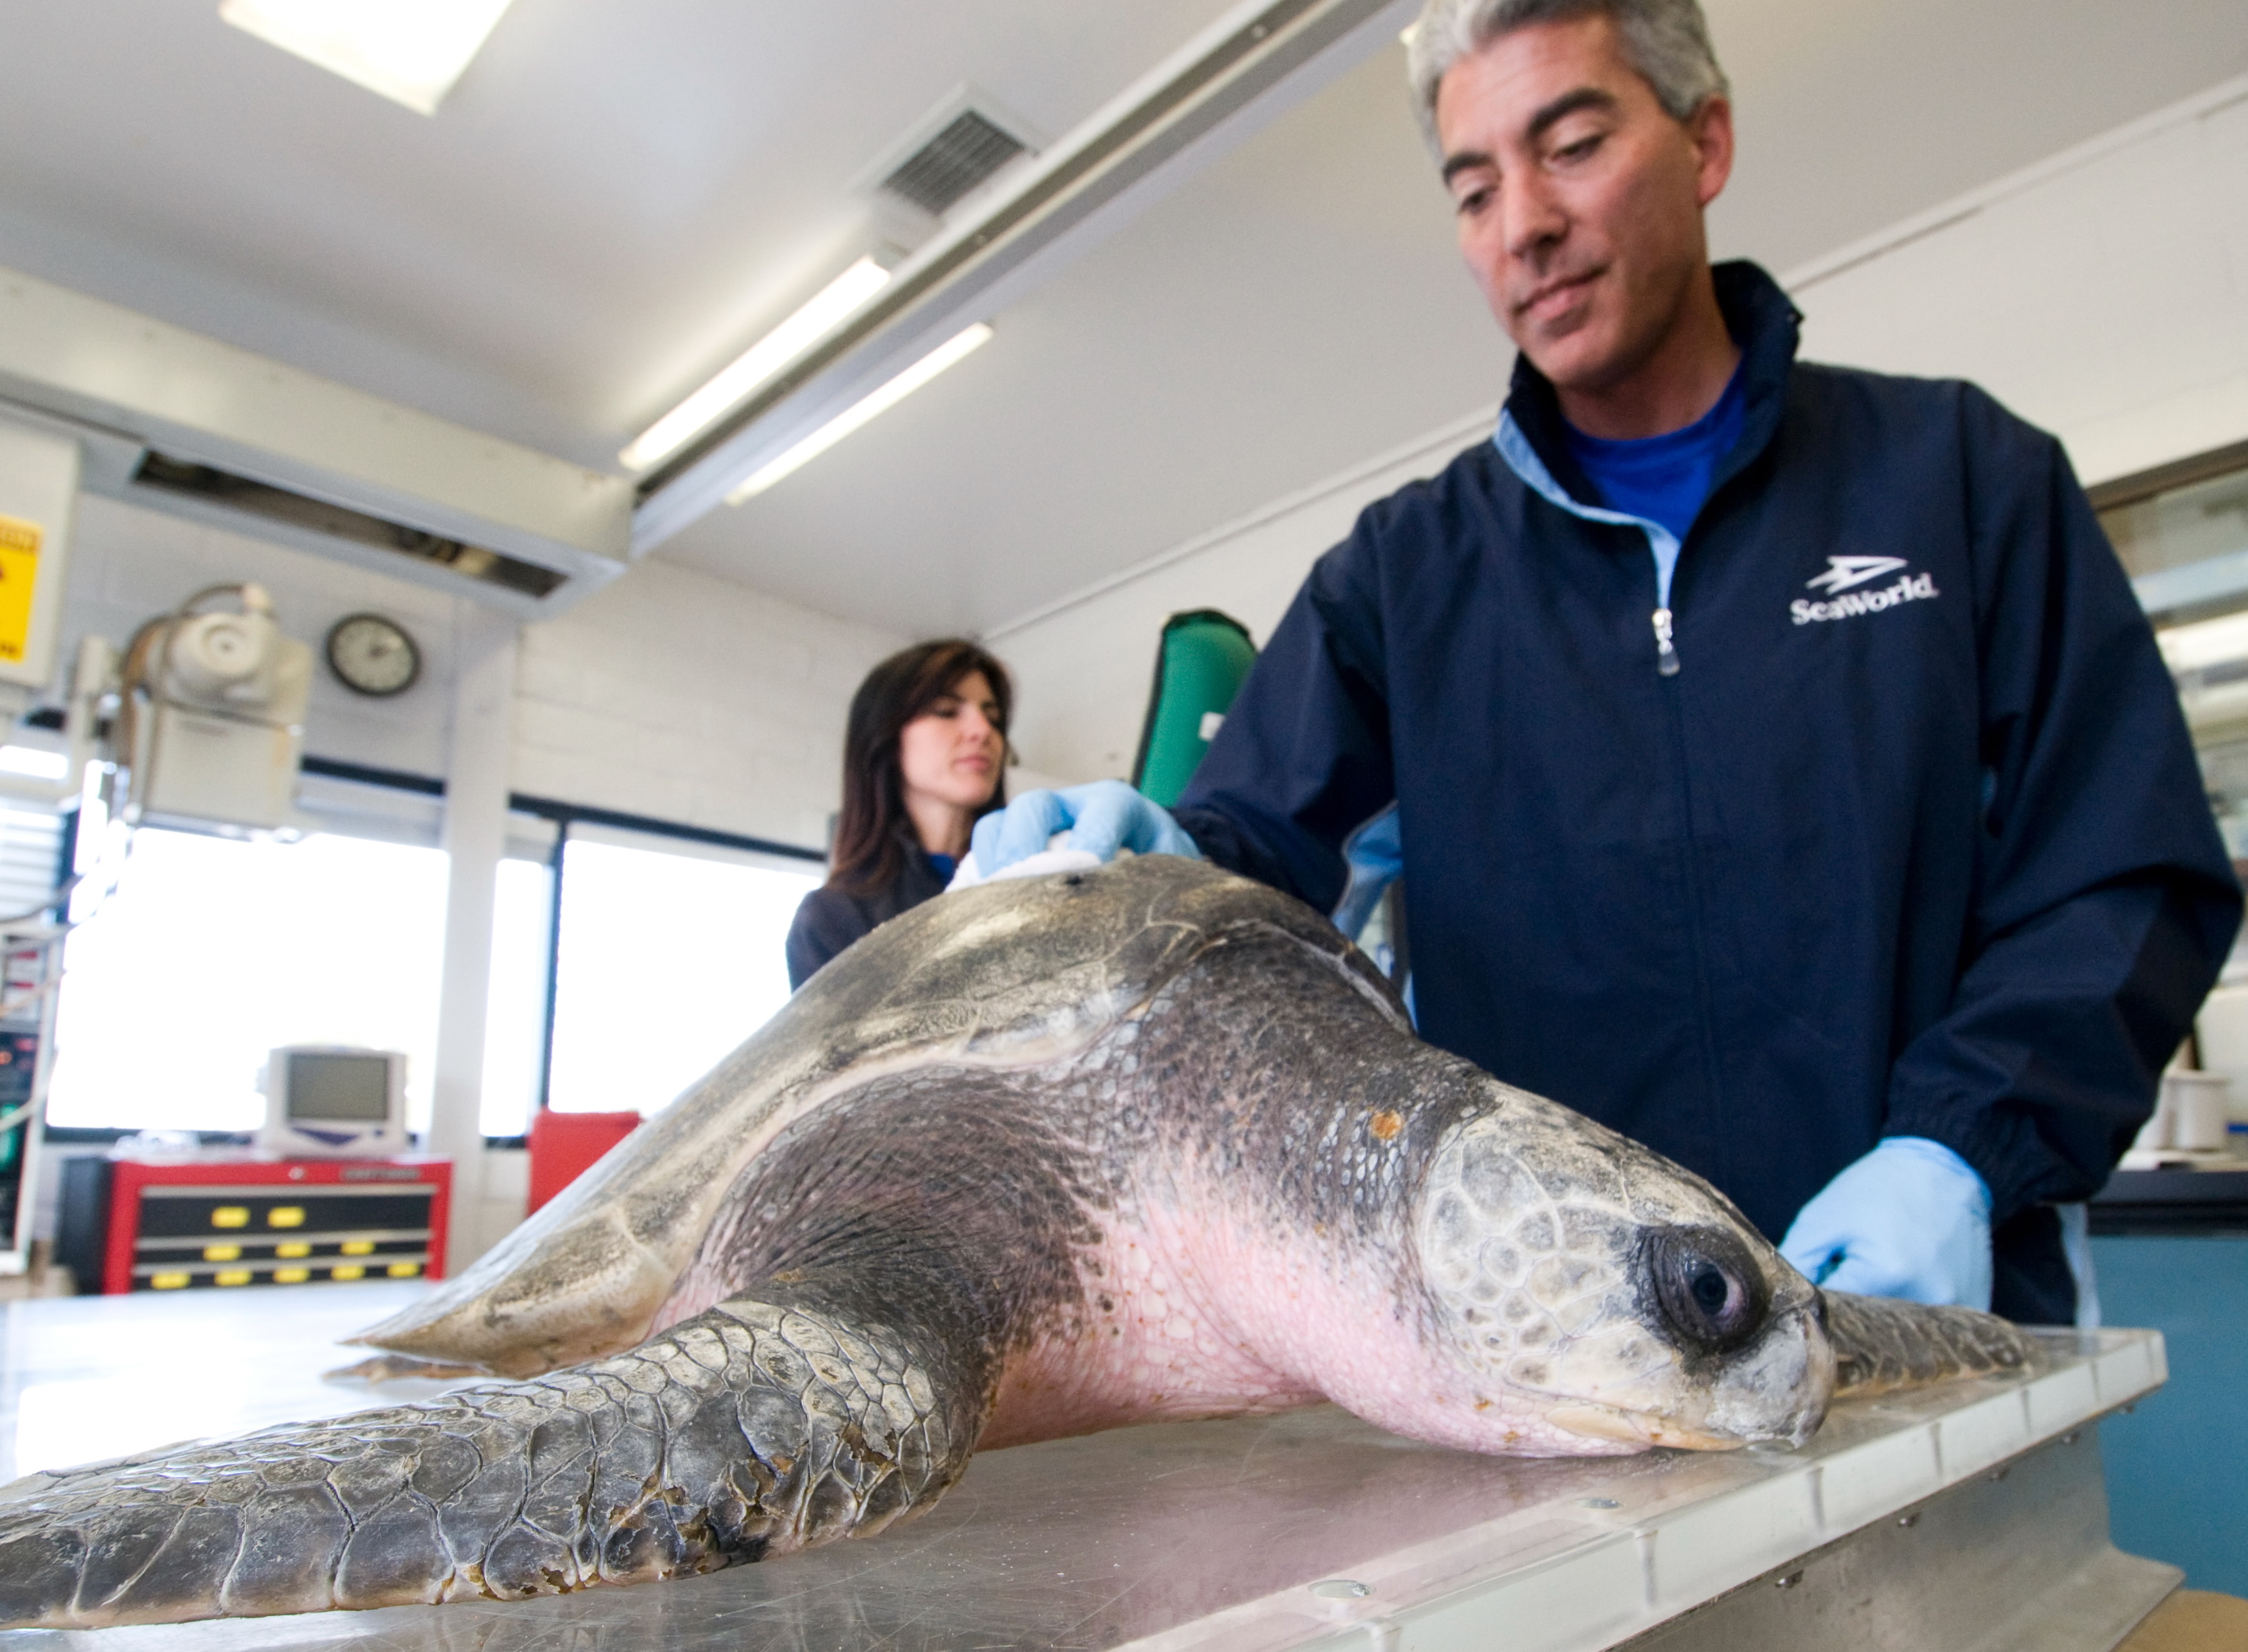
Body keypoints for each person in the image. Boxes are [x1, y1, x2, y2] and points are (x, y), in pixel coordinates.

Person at [970, 0, 2243, 1324]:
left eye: (1570, 143)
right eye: (1473, 190)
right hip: (1561, 1348)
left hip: (1933, 1321)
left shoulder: (1961, 484)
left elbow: (2123, 872)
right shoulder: (1404, 581)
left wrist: (1962, 1151)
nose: (1521, 221)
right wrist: (1147, 864)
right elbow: (1262, 860)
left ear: (1706, 141)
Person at [787, 640, 1011, 989]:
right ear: (886, 739)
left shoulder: (1035, 872)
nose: (983, 731)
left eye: (993, 717)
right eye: (947, 711)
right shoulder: (832, 918)